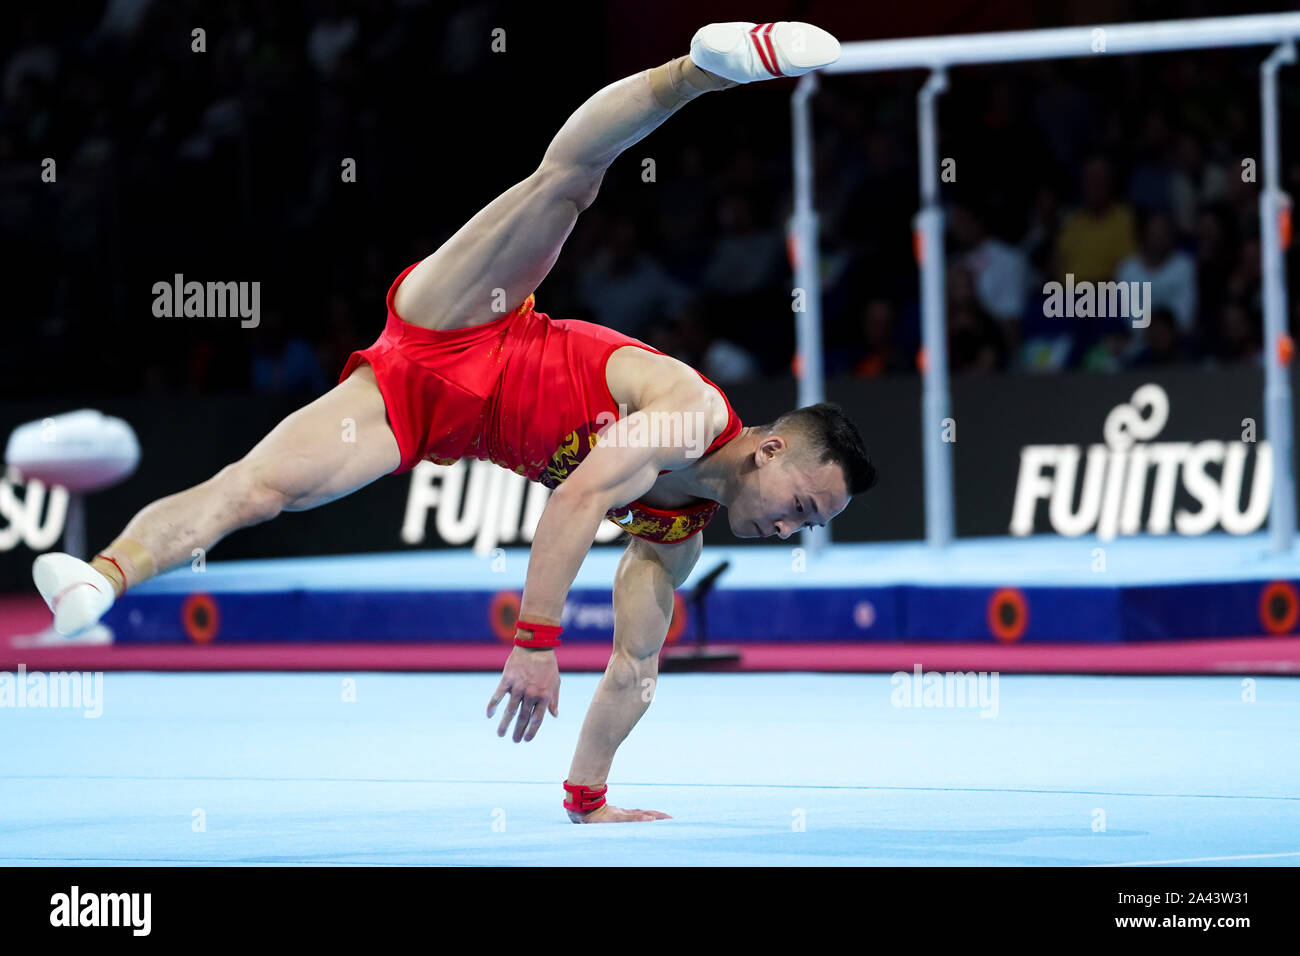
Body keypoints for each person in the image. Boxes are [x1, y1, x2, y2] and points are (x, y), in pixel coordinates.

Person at [33, 21, 876, 823]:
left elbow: (634, 666)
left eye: (810, 526)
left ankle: (98, 579)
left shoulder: (676, 537)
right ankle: (701, 71)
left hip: (428, 412)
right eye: (802, 506)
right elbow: (577, 502)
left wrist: (590, 795)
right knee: (566, 185)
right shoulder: (689, 415)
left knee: (258, 493)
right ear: (769, 450)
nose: (792, 531)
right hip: (478, 317)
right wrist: (536, 641)